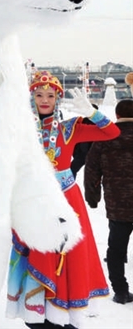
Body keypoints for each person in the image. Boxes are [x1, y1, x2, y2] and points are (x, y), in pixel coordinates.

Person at [6, 71, 120, 329]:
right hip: (33, 200)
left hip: (66, 201)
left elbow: (111, 132)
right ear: (31, 97)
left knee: (67, 256)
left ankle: (63, 309)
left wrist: (92, 113)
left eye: (50, 95)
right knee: (37, 251)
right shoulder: (22, 130)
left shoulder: (70, 128)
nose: (44, 100)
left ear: (57, 98)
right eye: (39, 94)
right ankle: (36, 308)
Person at [84, 99, 133, 305]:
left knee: (116, 248)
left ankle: (120, 291)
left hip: (118, 204)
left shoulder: (105, 137)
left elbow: (91, 169)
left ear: (117, 115)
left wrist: (92, 197)